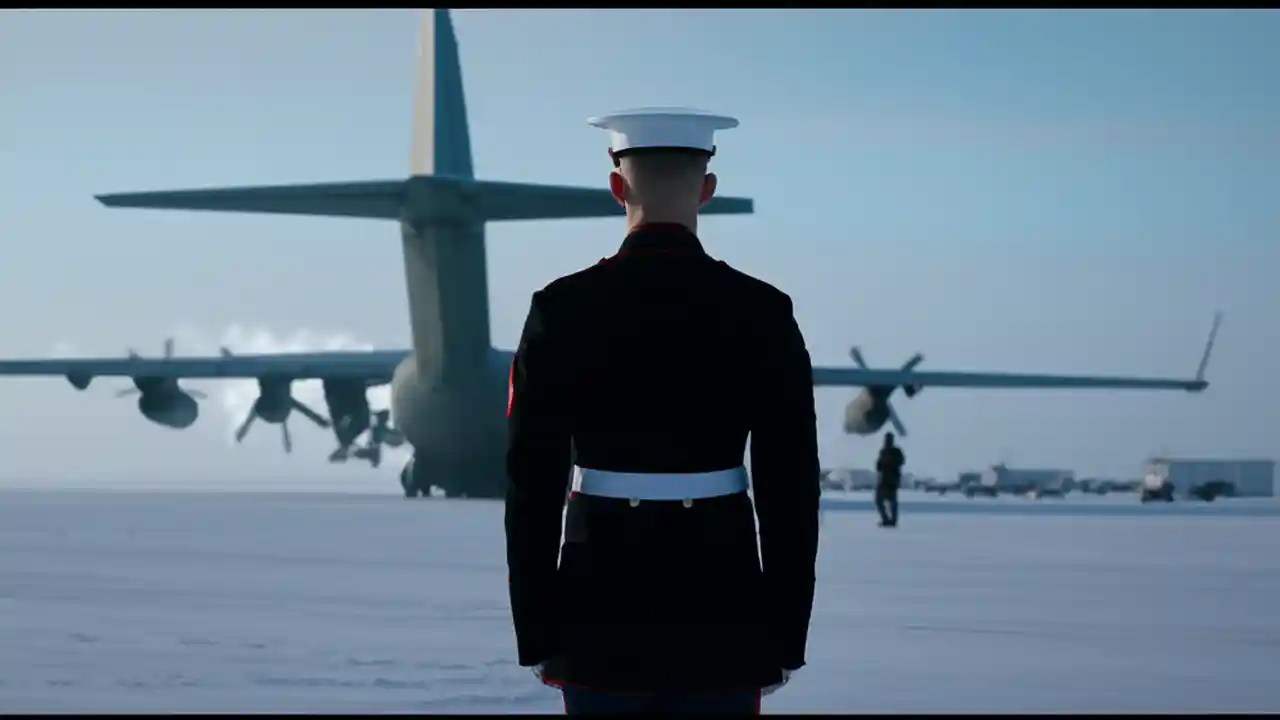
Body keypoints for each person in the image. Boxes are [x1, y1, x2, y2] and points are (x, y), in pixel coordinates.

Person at [504, 107, 821, 715]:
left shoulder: (562, 308)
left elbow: (531, 481)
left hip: (599, 606)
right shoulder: (761, 311)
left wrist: (538, 629)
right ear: (707, 190)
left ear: (617, 187)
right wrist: (784, 635)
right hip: (722, 607)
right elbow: (791, 486)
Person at [875, 432, 905, 527]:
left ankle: (893, 521)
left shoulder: (896, 451)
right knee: (879, 500)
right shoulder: (883, 451)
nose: (887, 441)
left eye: (888, 439)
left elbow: (901, 462)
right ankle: (886, 519)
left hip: (892, 480)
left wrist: (889, 461)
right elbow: (878, 466)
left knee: (892, 502)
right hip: (883, 480)